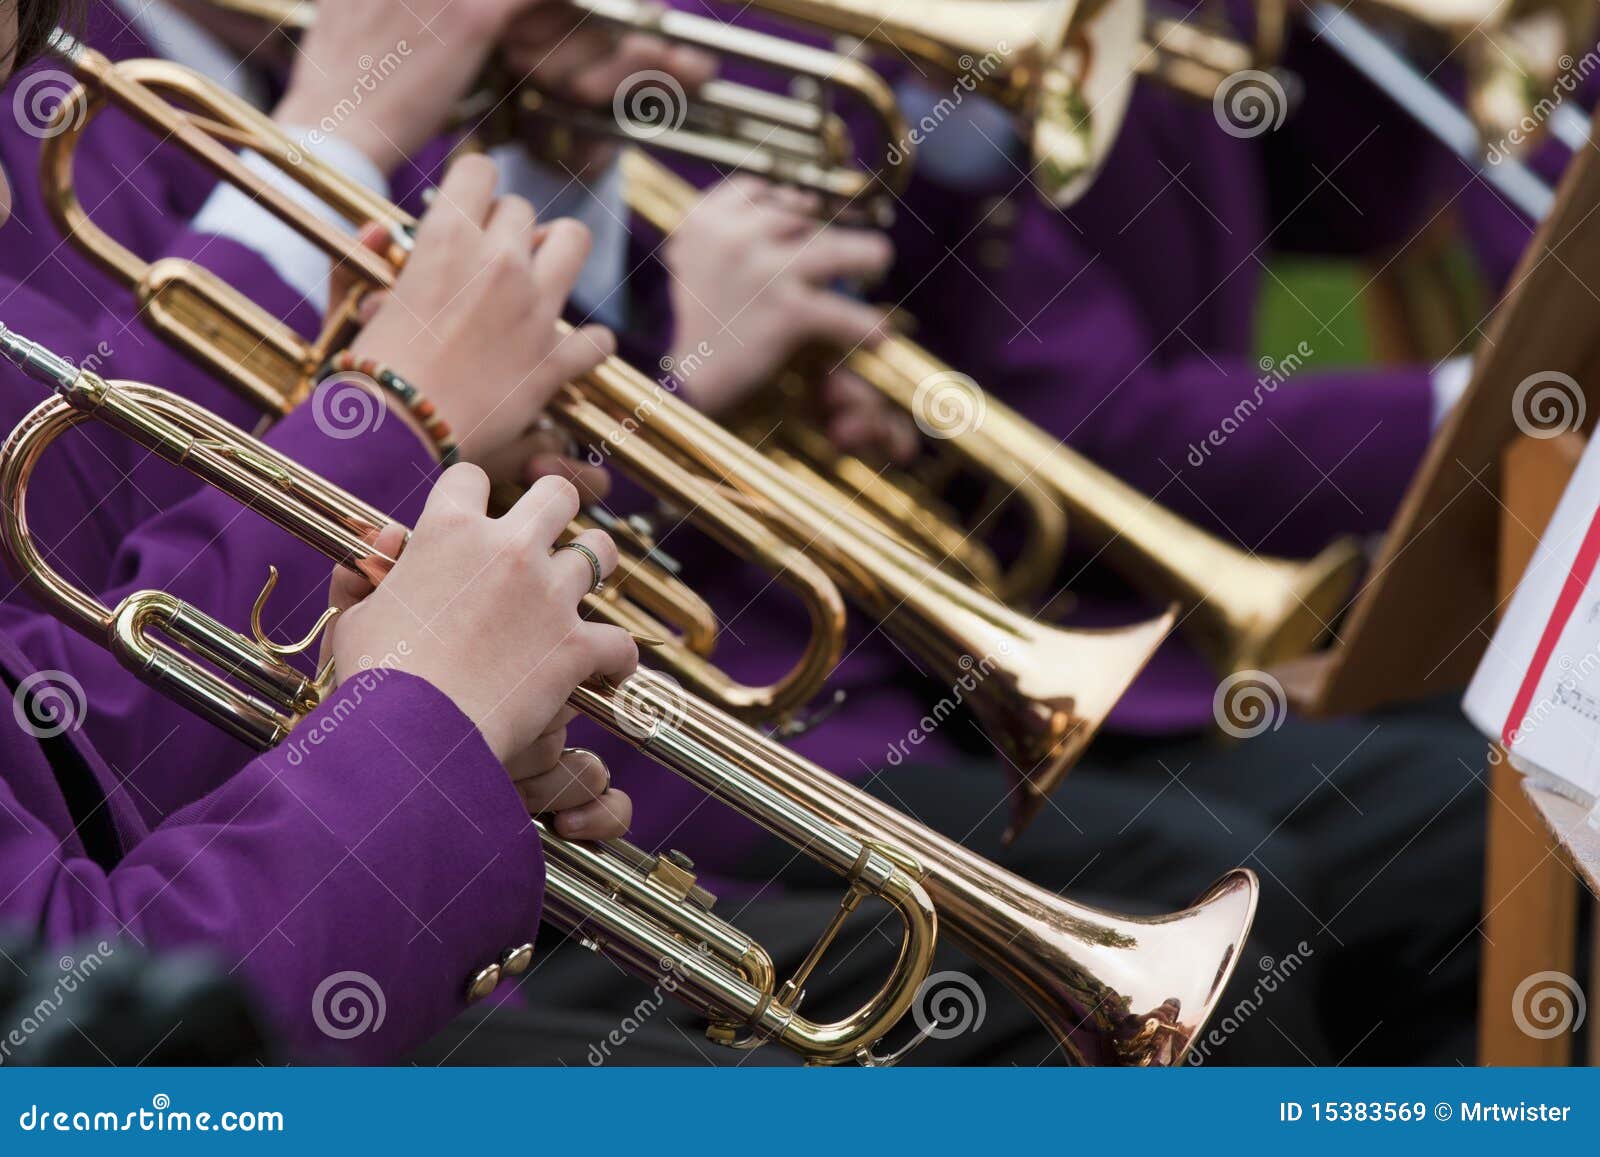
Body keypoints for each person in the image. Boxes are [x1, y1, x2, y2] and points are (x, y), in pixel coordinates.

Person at [479, 2, 1493, 1066]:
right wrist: (691, 380)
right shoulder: (401, 145)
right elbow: (413, 517)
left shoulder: (702, 64)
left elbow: (1356, 201)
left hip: (912, 678)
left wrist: (943, 150)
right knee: (1230, 887)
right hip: (676, 751)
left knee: (1455, 821)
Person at [0, 0, 641, 1062]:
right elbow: (95, 1057)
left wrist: (391, 716)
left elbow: (48, 734)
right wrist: (393, 416)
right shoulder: (93, 72)